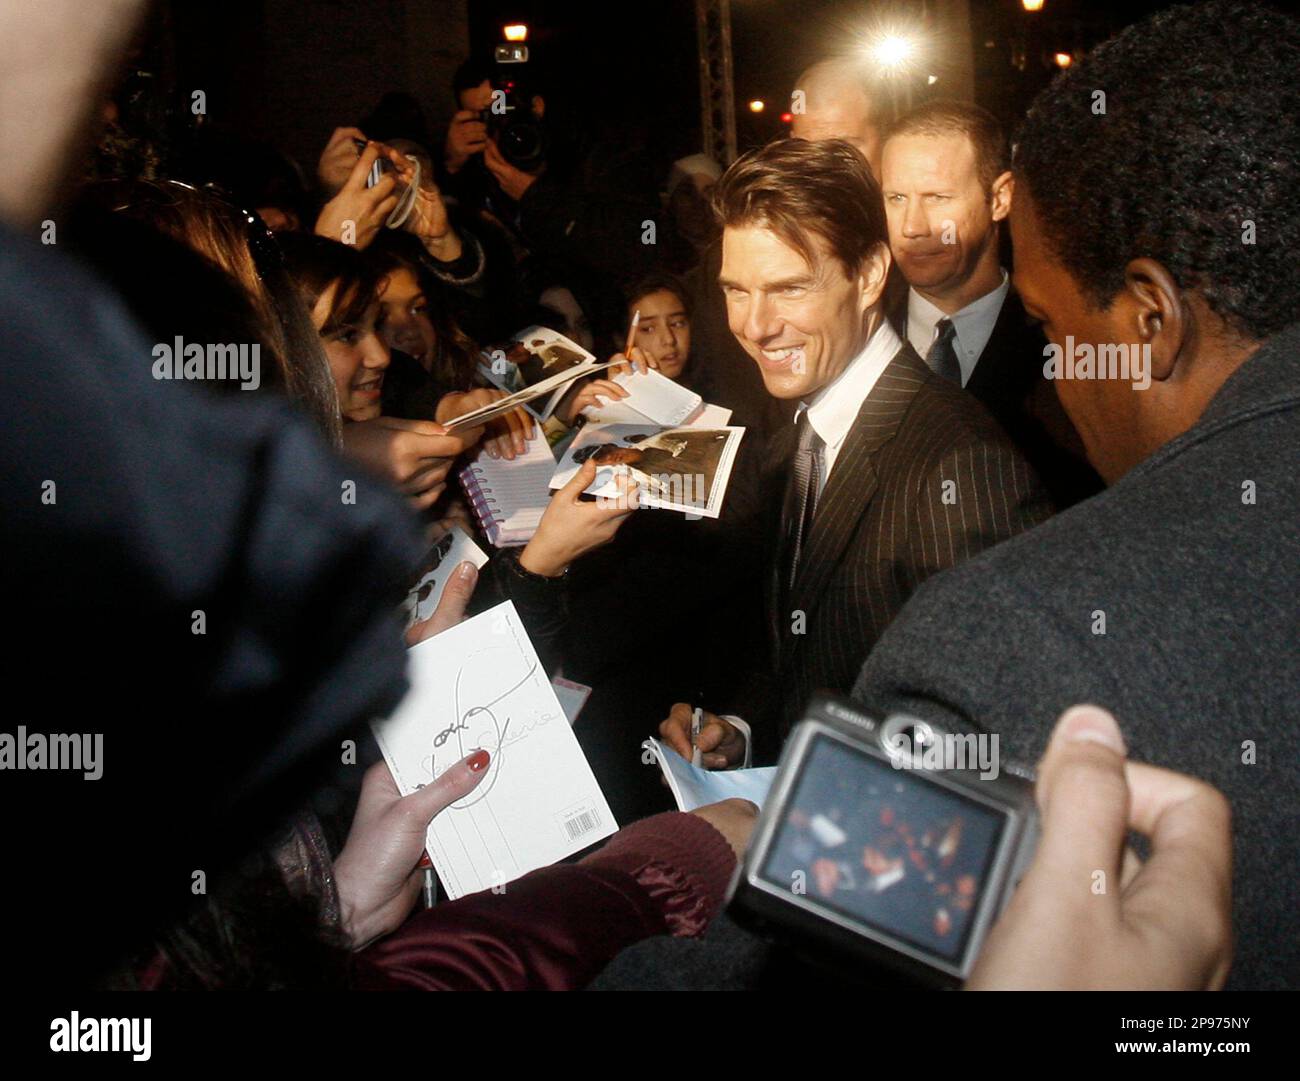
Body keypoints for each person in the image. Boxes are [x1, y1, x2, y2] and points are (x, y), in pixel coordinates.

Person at [848, 0, 1300, 990]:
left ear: (1149, 320)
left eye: (1052, 331)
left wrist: (664, 872)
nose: (1053, 379)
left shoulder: (1007, 648)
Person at [659, 137, 1052, 764]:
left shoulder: (963, 465)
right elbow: (807, 647)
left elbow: (989, 744)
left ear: (869, 274)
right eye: (737, 290)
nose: (755, 326)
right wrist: (746, 729)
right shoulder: (801, 429)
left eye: (788, 288)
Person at [881, 100, 1100, 508]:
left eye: (937, 198)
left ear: (1001, 199)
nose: (912, 226)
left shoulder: (1069, 346)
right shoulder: (855, 333)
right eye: (895, 198)